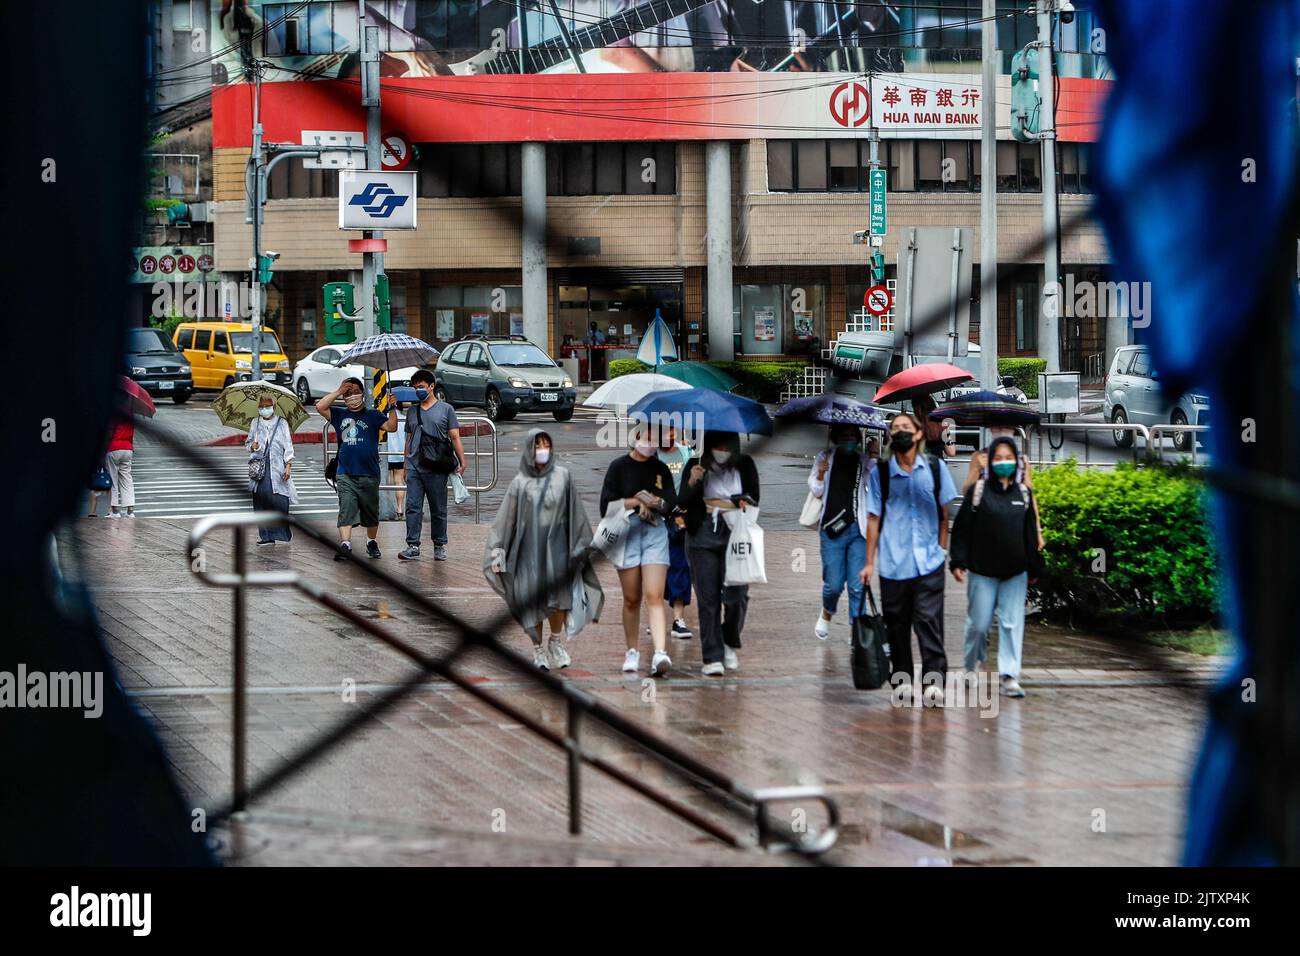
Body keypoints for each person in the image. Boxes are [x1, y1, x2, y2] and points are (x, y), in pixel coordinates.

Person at [860, 412, 958, 706]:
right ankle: (901, 680)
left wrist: (941, 551)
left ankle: (934, 682)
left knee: (929, 622)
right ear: (890, 436)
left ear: (917, 433)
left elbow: (944, 516)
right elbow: (874, 519)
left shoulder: (936, 468)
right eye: (895, 428)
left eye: (906, 427)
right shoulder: (880, 473)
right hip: (894, 562)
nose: (900, 431)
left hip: (929, 561)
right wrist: (869, 562)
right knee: (897, 625)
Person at [484, 430, 603, 670]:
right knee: (533, 603)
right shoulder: (519, 483)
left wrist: (581, 546)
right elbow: (506, 521)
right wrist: (498, 552)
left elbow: (576, 513)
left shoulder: (563, 477)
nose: (542, 450)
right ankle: (538, 649)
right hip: (528, 554)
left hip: (559, 551)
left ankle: (555, 642)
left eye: (546, 445)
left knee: (559, 599)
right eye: (537, 445)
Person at [949, 436, 1044, 698]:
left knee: (1012, 624)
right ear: (991, 461)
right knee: (978, 625)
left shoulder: (1023, 493)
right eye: (999, 458)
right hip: (982, 571)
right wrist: (957, 561)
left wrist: (1035, 567)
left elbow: (1029, 532)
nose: (1004, 462)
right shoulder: (978, 492)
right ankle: (971, 665)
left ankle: (1009, 675)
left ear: (1016, 462)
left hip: (1015, 572)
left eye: (1009, 458)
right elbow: (962, 529)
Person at [678, 430, 760, 677]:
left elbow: (755, 497)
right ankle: (712, 656)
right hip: (702, 532)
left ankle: (729, 640)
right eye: (717, 446)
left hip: (735, 532)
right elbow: (682, 501)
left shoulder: (745, 465)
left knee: (737, 595)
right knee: (708, 598)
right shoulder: (696, 464)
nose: (722, 451)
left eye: (727, 446)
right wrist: (693, 481)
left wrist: (743, 502)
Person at [599, 425, 677, 677]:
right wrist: (636, 500)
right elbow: (605, 506)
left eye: (656, 439)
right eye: (647, 437)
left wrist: (656, 502)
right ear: (636, 437)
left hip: (655, 531)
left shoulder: (661, 468)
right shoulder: (618, 467)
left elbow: (670, 502)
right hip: (627, 531)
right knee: (632, 598)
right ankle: (631, 651)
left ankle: (660, 652)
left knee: (655, 595)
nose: (651, 443)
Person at [316, 376, 397, 561]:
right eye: (348, 393)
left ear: (363, 394)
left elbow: (391, 427)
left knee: (371, 512)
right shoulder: (339, 414)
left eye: (356, 392)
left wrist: (392, 407)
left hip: (369, 473)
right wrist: (339, 391)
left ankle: (371, 542)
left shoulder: (373, 415)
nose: (352, 396)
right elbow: (320, 406)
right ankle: (345, 544)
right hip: (345, 473)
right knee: (346, 508)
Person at [807, 424, 874, 640]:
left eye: (852, 435)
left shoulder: (863, 460)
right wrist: (820, 473)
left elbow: (877, 484)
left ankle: (857, 633)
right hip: (831, 530)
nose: (849, 439)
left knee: (857, 586)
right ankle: (827, 611)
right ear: (836, 436)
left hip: (858, 530)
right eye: (844, 435)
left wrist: (874, 457)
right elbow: (816, 490)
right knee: (833, 585)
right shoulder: (825, 456)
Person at [399, 369, 466, 561]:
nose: (418, 390)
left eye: (421, 386)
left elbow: (454, 436)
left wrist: (462, 460)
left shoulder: (446, 409)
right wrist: (405, 464)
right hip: (414, 466)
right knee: (413, 506)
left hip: (436, 467)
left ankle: (439, 544)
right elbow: (408, 439)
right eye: (415, 387)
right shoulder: (412, 411)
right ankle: (413, 545)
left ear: (431, 386)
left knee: (438, 508)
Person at [657, 425, 695, 639]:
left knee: (680, 567)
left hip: (680, 521)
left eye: (672, 430)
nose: (669, 435)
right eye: (664, 431)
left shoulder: (686, 452)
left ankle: (678, 619)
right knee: (657, 570)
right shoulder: (652, 455)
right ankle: (656, 616)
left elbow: (694, 482)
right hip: (656, 521)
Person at [245, 394, 297, 545]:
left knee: (280, 501)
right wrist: (252, 446)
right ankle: (266, 536)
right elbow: (248, 443)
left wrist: (288, 466)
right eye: (261, 406)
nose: (264, 409)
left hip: (278, 467)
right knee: (260, 502)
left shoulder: (282, 423)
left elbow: (288, 445)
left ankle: (281, 533)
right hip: (259, 469)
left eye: (267, 406)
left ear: (274, 407)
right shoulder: (255, 422)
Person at [105, 415, 135, 518]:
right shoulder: (130, 417)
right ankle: (130, 511)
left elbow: (108, 433)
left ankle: (115, 511)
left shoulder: (113, 414)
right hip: (128, 448)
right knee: (127, 479)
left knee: (113, 480)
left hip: (113, 447)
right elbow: (131, 435)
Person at [912, 393, 957, 459]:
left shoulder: (912, 427)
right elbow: (951, 452)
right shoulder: (940, 425)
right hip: (937, 463)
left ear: (916, 410)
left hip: (918, 463)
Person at [384, 402, 407, 519]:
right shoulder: (404, 419)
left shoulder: (383, 418)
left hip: (385, 453)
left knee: (384, 482)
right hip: (400, 454)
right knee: (399, 481)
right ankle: (400, 508)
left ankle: (385, 508)